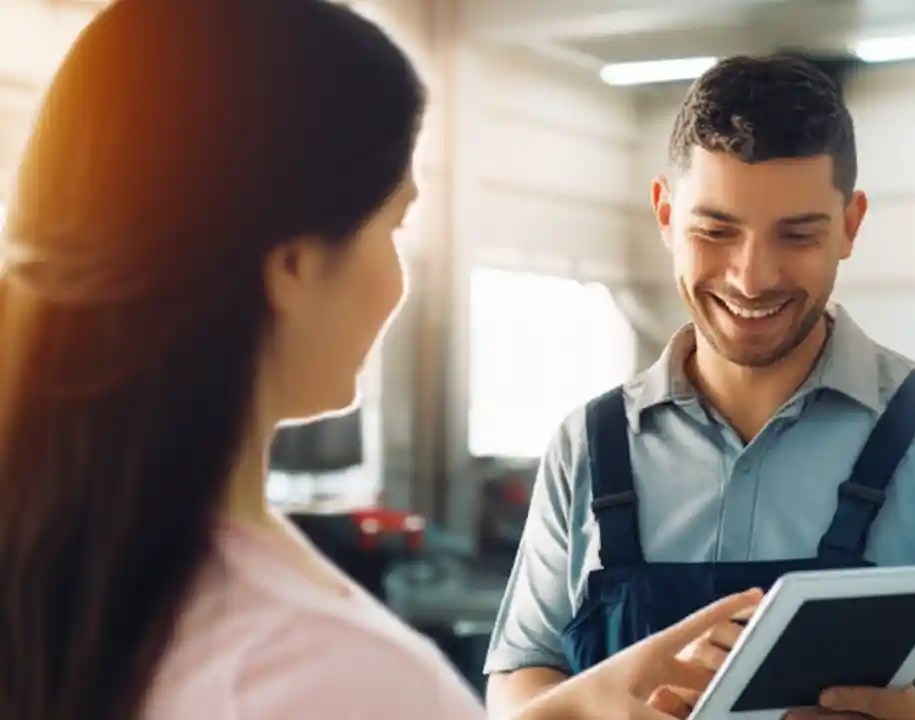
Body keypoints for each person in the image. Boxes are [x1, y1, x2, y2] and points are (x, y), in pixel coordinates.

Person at [0, 0, 753, 718]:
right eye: (395, 225)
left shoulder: (66, 586)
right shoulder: (332, 674)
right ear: (291, 263)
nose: (398, 279)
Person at [485, 54, 915, 719]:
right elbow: (519, 680)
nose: (752, 278)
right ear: (665, 214)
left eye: (798, 235)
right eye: (715, 231)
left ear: (850, 225)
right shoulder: (588, 445)